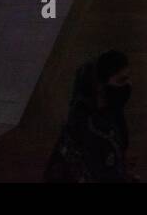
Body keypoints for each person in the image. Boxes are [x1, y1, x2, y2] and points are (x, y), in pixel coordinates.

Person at [45, 50, 134, 182]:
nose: (129, 85)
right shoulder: (90, 127)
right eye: (121, 80)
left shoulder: (110, 113)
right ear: (100, 86)